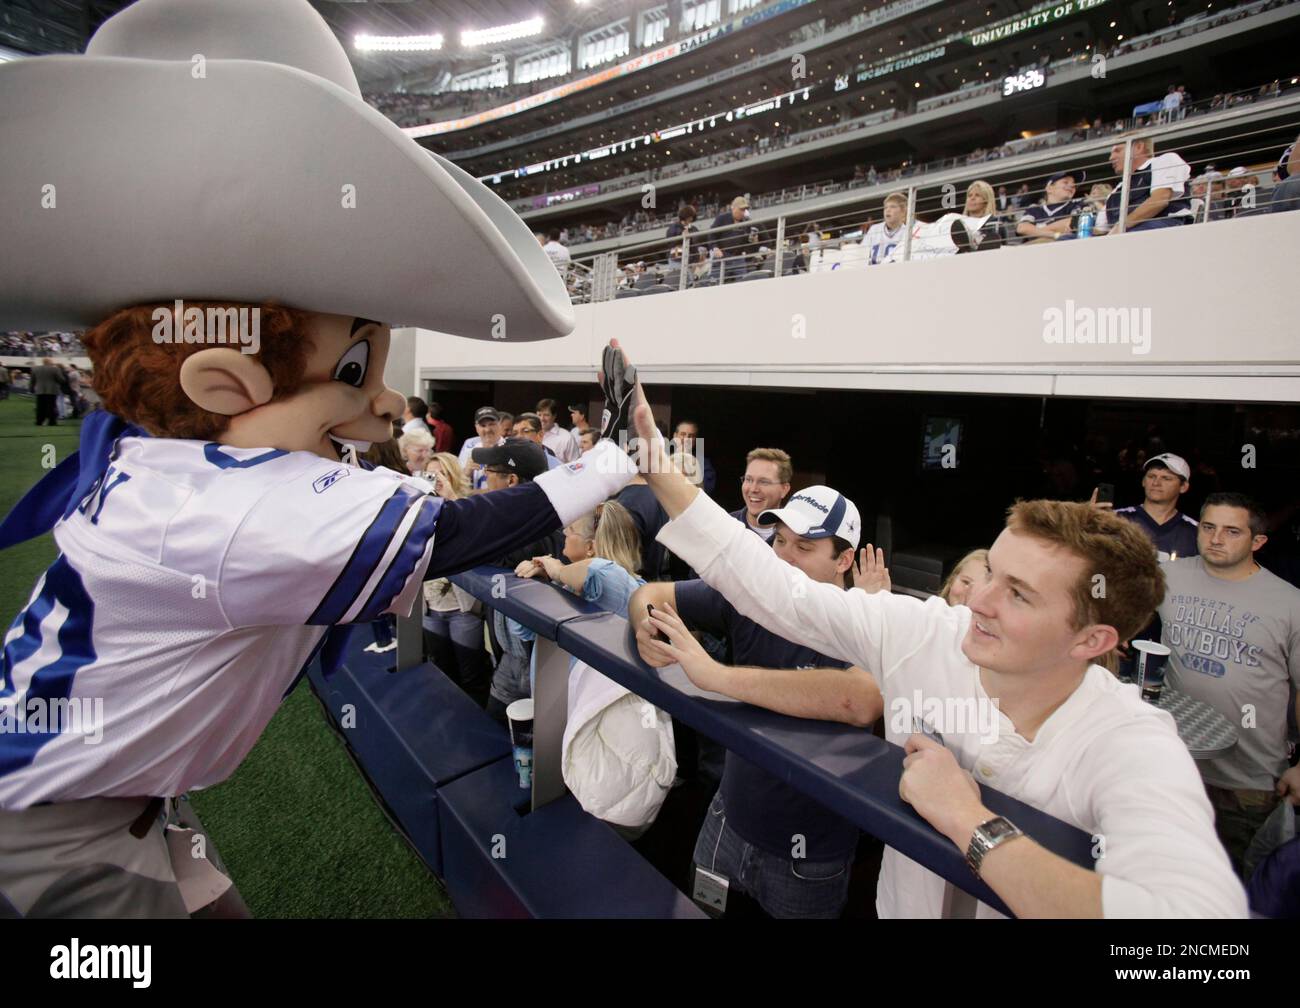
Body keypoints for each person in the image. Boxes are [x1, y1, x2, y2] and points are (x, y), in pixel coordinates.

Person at [0, 0, 645, 919]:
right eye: (352, 371)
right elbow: (456, 534)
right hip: (51, 830)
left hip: (96, 798)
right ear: (225, 383)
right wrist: (614, 457)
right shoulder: (237, 508)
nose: (382, 401)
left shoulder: (165, 461)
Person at [627, 399, 1247, 917]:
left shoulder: (1130, 738)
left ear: (1091, 641)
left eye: (1020, 594)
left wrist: (969, 821)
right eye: (992, 574)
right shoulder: (928, 634)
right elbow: (776, 590)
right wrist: (655, 459)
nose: (982, 600)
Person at [631, 487, 882, 918]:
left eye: (804, 546)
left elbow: (859, 701)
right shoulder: (749, 600)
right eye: (780, 541)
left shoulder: (869, 618)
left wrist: (718, 677)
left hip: (808, 853)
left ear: (843, 560)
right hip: (729, 816)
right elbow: (647, 594)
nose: (783, 557)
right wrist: (645, 627)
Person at [1159, 493, 1300, 877]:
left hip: (1246, 783)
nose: (1216, 538)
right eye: (1208, 527)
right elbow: (1101, 592)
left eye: (1232, 531)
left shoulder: (1290, 603)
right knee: (1166, 878)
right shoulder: (1168, 576)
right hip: (1172, 766)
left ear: (1258, 542)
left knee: (1233, 889)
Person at [422, 453, 493, 706]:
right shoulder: (418, 512)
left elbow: (474, 540)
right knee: (442, 670)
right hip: (430, 607)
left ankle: (477, 733)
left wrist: (449, 496)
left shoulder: (466, 506)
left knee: (471, 675)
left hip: (463, 609)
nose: (435, 481)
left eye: (441, 475)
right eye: (429, 475)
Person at [1092, 136, 1195, 234]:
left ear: (1139, 147)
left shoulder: (1164, 161)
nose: (1111, 157)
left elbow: (1159, 200)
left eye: (1117, 150)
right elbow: (1101, 228)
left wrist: (1120, 226)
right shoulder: (1117, 189)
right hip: (1125, 234)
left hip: (1163, 228)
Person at [732, 448, 792, 542]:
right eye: (749, 479)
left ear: (784, 489)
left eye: (764, 482)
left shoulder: (797, 533)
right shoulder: (725, 527)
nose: (753, 489)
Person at [1016, 170, 1086, 243]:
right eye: (1065, 182)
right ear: (1049, 188)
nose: (1072, 186)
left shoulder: (1077, 204)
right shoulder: (1034, 208)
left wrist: (1034, 231)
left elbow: (1072, 223)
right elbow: (1022, 228)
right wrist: (1056, 235)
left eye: (1074, 185)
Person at [458, 406, 501, 491]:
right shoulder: (470, 448)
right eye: (483, 425)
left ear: (499, 424)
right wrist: (467, 472)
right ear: (476, 428)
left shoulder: (509, 447)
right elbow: (458, 485)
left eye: (491, 424)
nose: (488, 429)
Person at [669, 419, 716, 496]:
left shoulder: (704, 464)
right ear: (675, 436)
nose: (687, 439)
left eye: (691, 436)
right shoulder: (664, 459)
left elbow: (708, 489)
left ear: (695, 440)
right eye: (683, 434)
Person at [863, 193, 907, 265]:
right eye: (885, 207)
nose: (888, 210)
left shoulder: (907, 232)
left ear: (903, 212)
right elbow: (862, 254)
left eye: (892, 207)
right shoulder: (874, 229)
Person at [537, 397, 577, 462]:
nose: (542, 419)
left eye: (546, 415)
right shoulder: (531, 435)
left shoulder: (566, 437)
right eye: (539, 415)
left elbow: (575, 465)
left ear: (554, 416)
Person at [31, 357, 63, 426]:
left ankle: (39, 421)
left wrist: (31, 388)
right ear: (50, 362)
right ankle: (51, 421)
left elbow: (32, 380)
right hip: (52, 390)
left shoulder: (35, 369)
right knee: (51, 406)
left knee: (40, 406)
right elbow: (61, 379)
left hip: (39, 390)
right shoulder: (55, 369)